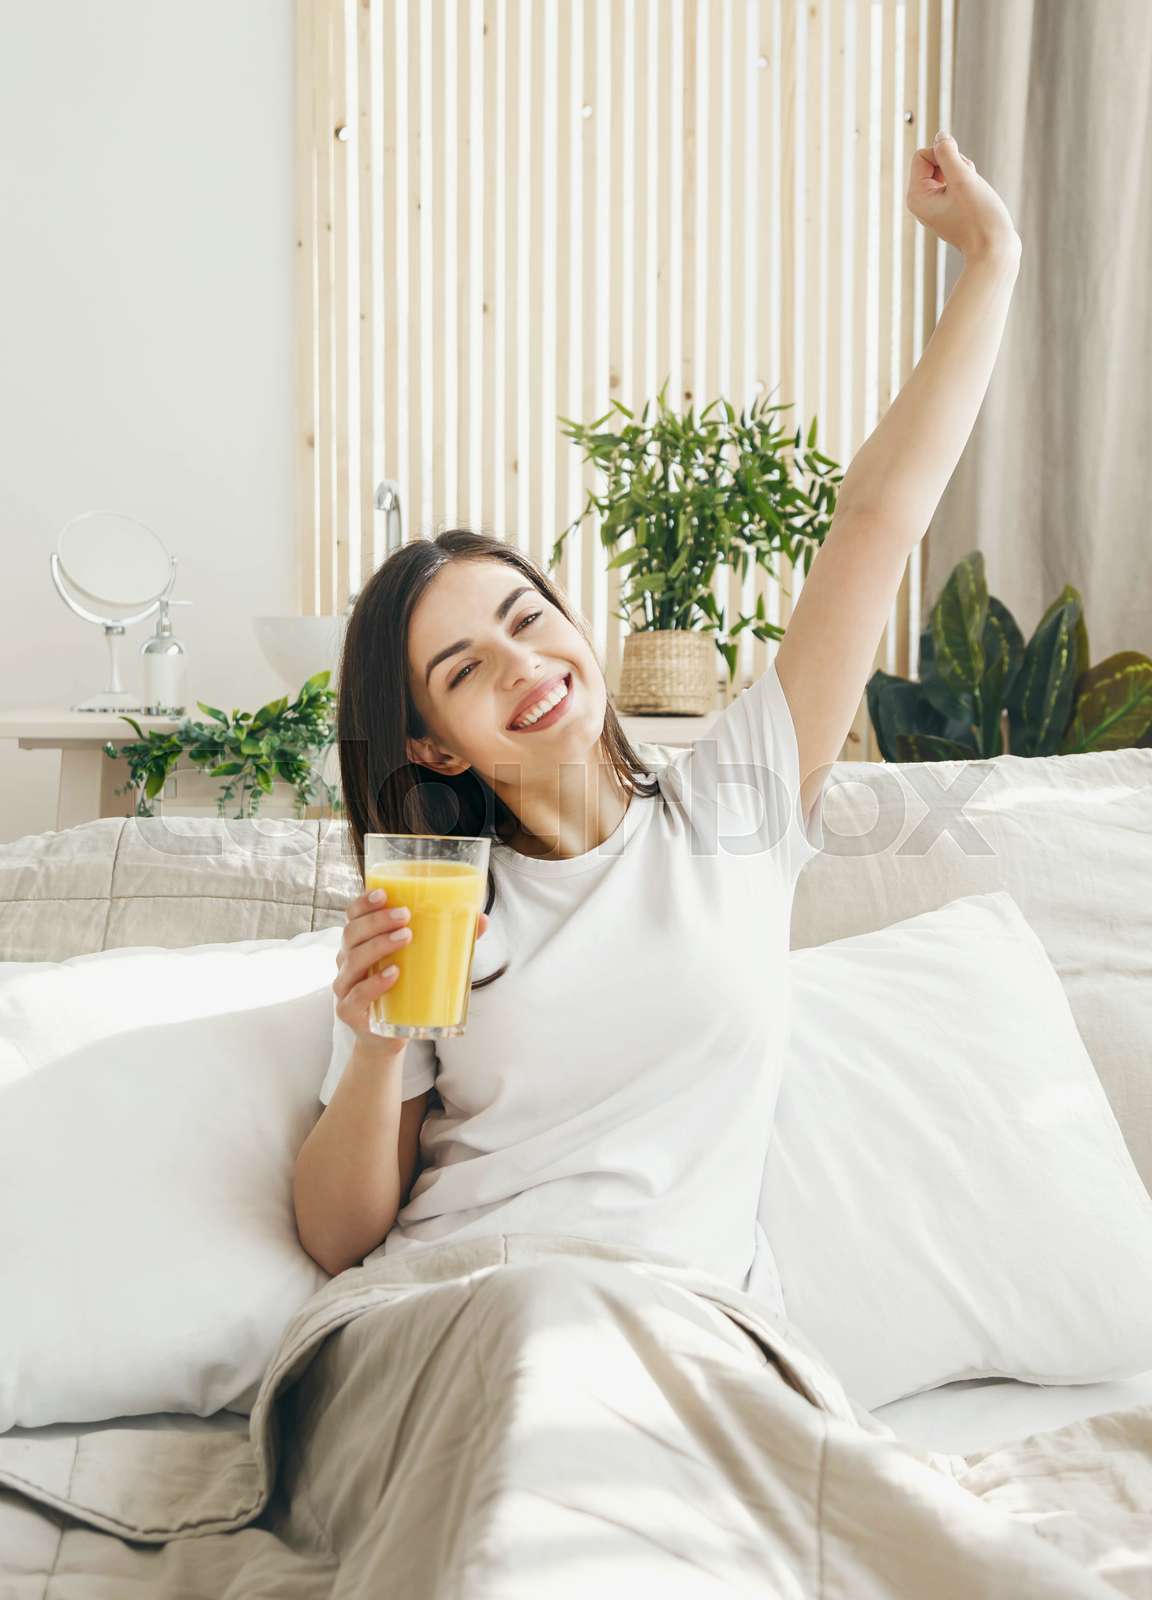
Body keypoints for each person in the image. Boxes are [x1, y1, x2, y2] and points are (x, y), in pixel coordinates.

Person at [293, 131, 1023, 1309]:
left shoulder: (735, 806)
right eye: (469, 669)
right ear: (432, 743)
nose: (527, 664)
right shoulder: (437, 909)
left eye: (532, 617)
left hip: (689, 1335)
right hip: (460, 1315)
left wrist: (991, 257)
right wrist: (376, 1048)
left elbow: (879, 519)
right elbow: (336, 1242)